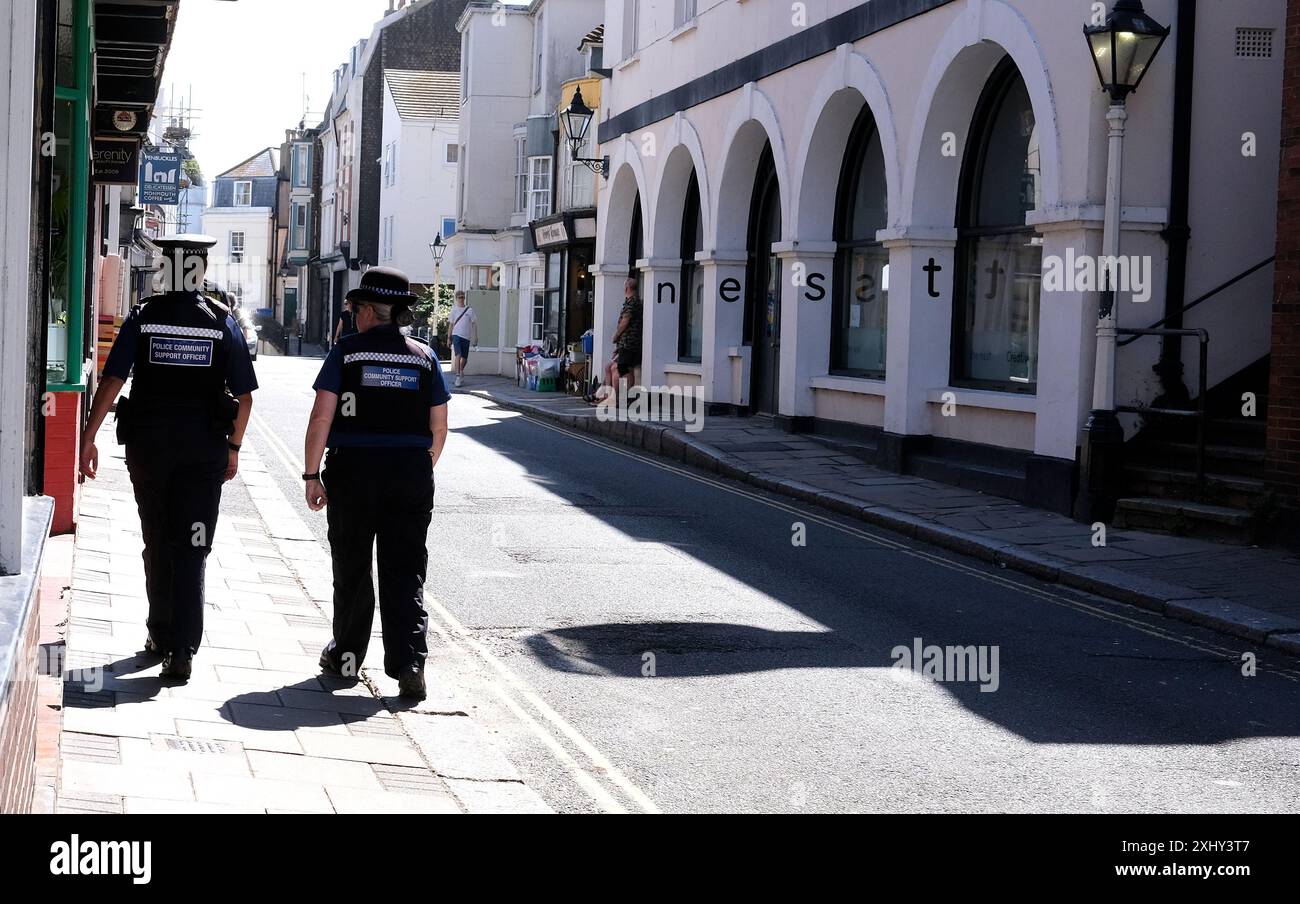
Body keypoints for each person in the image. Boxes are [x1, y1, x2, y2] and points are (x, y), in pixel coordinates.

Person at [79, 234, 258, 681]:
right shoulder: (222, 322)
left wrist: (87, 439)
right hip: (204, 454)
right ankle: (182, 651)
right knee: (193, 546)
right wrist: (233, 448)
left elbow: (112, 380)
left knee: (157, 539)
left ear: (166, 268)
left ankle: (160, 633)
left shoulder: (145, 317)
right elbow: (245, 396)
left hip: (151, 450)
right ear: (198, 269)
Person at [303, 266, 450, 700]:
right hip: (410, 473)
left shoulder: (345, 354)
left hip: (354, 473)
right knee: (405, 570)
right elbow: (439, 426)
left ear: (368, 311)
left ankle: (347, 659)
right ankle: (408, 665)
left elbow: (321, 418)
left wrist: (312, 474)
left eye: (354, 308)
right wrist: (421, 469)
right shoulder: (424, 357)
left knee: (352, 566)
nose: (352, 314)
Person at [598, 277, 642, 403]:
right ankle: (610, 396)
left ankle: (622, 398)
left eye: (624, 287)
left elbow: (625, 321)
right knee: (619, 368)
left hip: (629, 343)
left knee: (621, 369)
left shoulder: (632, 302)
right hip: (626, 343)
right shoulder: (631, 302)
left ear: (627, 288)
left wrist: (616, 335)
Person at [449, 290, 478, 388]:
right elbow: (451, 324)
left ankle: (461, 370)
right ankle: (457, 377)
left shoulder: (469, 310)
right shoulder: (454, 310)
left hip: (466, 336)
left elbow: (474, 324)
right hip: (456, 335)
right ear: (456, 299)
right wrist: (449, 337)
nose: (462, 299)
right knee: (458, 354)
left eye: (463, 297)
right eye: (460, 297)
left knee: (465, 358)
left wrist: (475, 337)